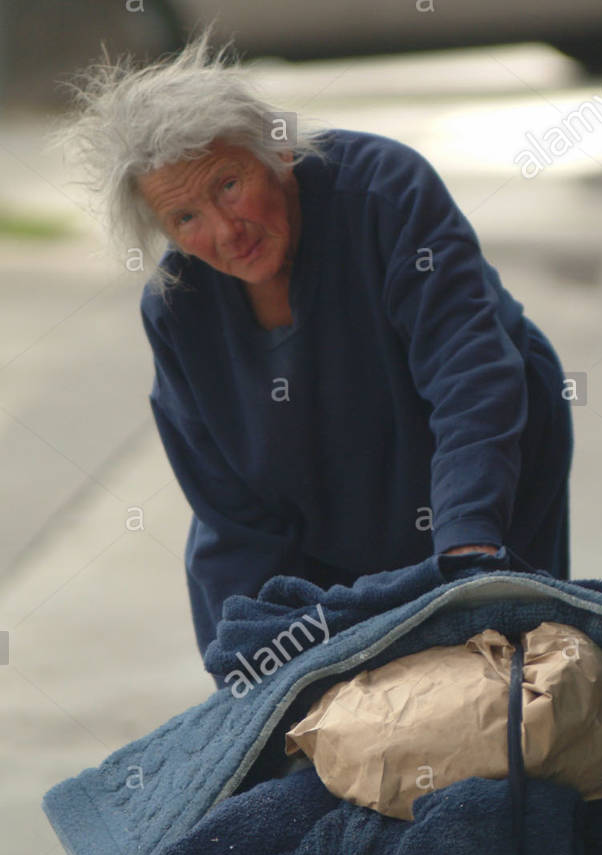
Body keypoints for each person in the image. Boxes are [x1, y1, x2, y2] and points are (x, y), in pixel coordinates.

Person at [55, 25, 573, 672]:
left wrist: (470, 548)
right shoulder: (178, 308)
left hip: (477, 457)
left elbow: (469, 379)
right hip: (325, 500)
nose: (224, 231)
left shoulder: (386, 193)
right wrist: (253, 663)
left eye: (227, 185)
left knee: (500, 682)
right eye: (185, 218)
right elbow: (231, 509)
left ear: (277, 152)